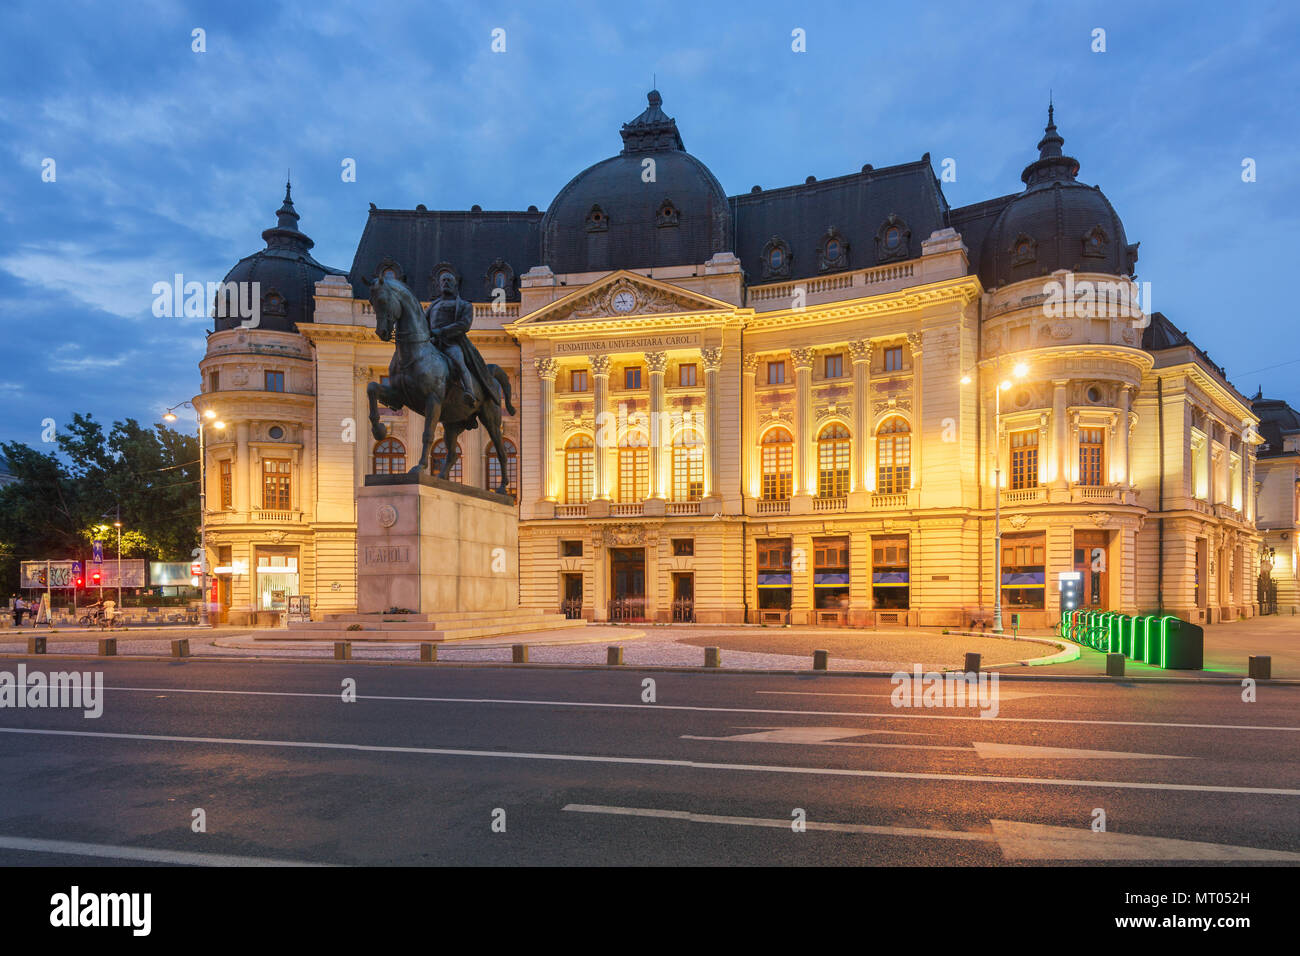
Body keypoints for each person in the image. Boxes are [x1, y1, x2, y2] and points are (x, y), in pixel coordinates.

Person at [425, 271, 500, 412]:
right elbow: (422, 323)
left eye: (449, 280)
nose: (445, 283)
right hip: (433, 344)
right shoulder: (433, 306)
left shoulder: (465, 305)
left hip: (451, 343)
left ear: (455, 284)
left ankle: (469, 392)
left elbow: (463, 325)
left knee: (459, 363)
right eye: (443, 280)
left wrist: (441, 331)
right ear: (439, 285)